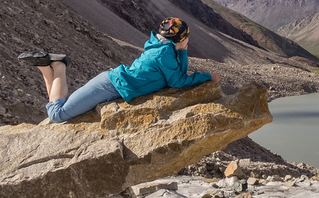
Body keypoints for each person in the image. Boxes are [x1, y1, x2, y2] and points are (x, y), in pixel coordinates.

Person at [19, 17, 220, 123]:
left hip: (113, 84)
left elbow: (178, 74)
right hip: (109, 86)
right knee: (57, 115)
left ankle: (45, 67)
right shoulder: (163, 54)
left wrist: (183, 51)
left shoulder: (163, 48)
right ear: (182, 38)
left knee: (57, 110)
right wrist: (207, 76)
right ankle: (59, 65)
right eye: (186, 38)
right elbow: (178, 81)